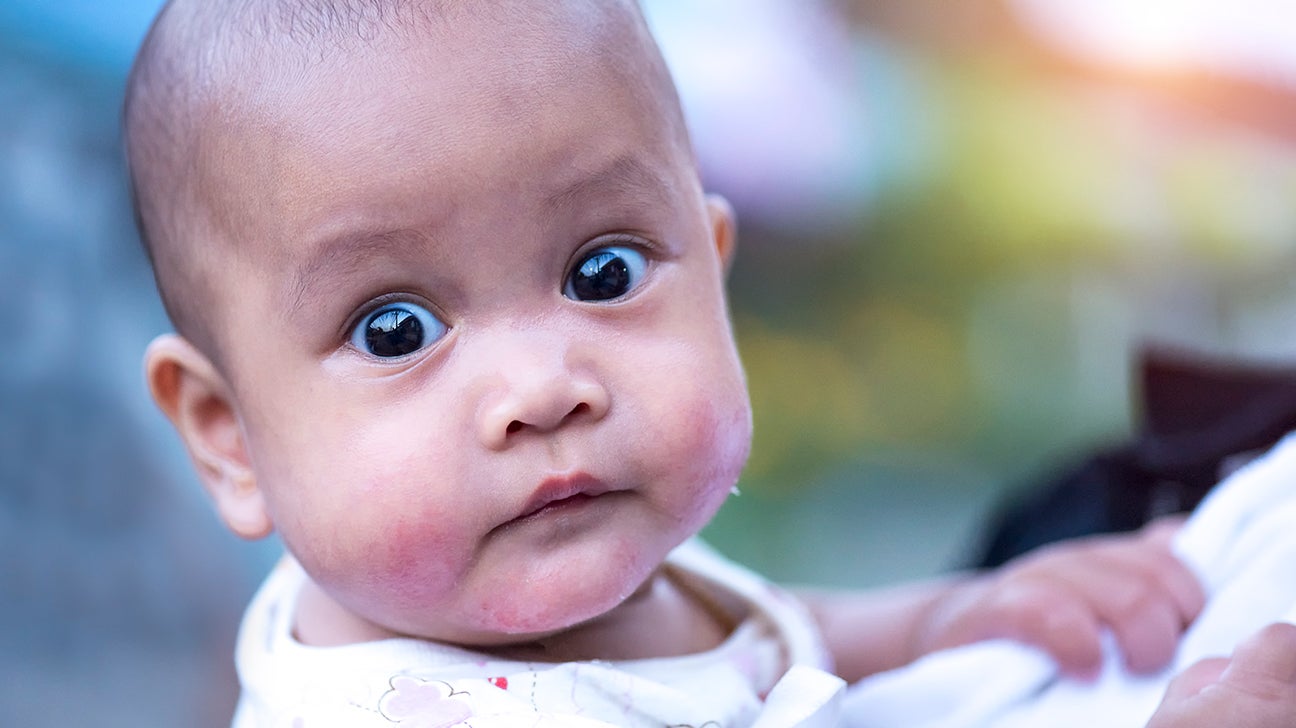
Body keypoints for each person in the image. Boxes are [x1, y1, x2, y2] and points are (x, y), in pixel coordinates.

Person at [121, 0, 1292, 725]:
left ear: (712, 264)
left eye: (603, 271)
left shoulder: (533, 584)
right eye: (396, 328)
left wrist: (944, 619)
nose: (545, 388)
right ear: (229, 434)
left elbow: (731, 634)